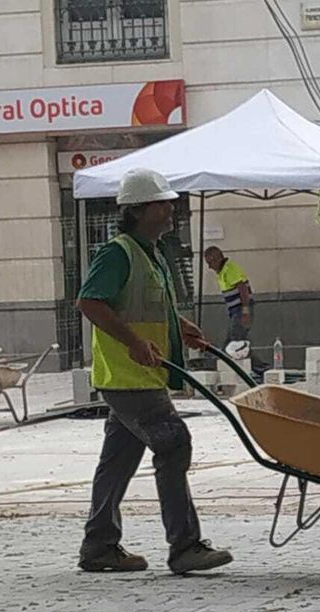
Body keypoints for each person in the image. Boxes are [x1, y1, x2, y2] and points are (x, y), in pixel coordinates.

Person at [76, 168, 233, 575]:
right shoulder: (118, 253)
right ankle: (184, 546)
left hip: (137, 375)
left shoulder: (151, 253)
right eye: (162, 204)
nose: (170, 210)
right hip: (129, 376)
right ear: (138, 210)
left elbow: (142, 304)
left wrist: (180, 326)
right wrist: (132, 342)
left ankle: (99, 546)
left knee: (118, 460)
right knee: (174, 442)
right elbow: (90, 303)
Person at [203, 246, 254, 347]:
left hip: (240, 309)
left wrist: (245, 311)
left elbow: (243, 290)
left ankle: (257, 363)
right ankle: (254, 362)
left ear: (217, 259)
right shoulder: (222, 272)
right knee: (233, 342)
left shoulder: (229, 269)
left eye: (210, 263)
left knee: (235, 343)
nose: (209, 267)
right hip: (235, 311)